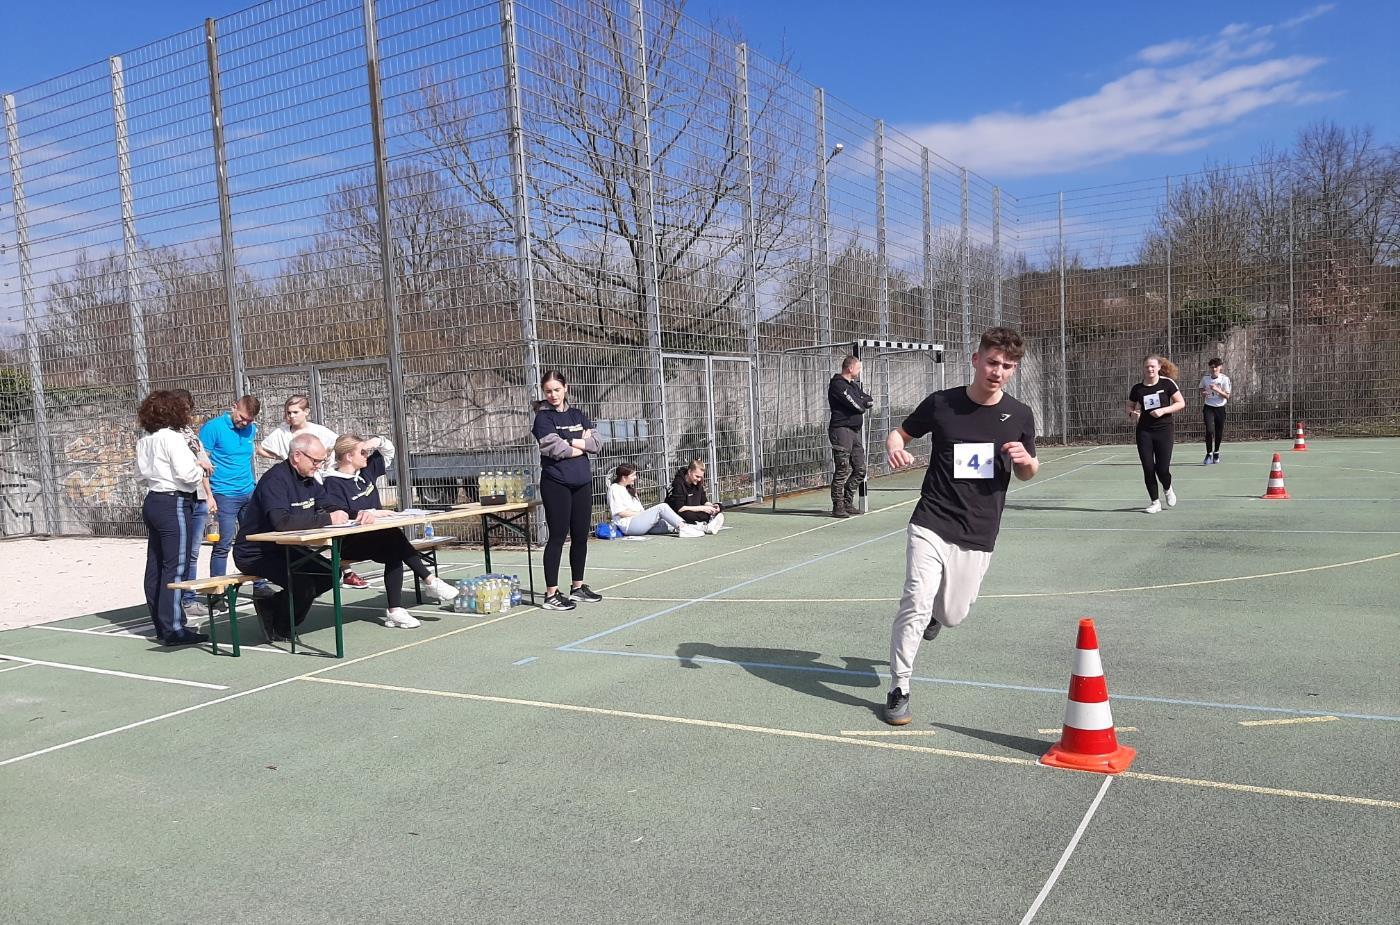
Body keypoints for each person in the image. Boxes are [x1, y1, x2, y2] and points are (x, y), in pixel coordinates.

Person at [881, 327, 1038, 726]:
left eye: (1007, 366)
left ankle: (938, 614)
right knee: (915, 599)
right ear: (975, 359)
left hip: (979, 529)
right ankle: (900, 687)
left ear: (1013, 370)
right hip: (932, 520)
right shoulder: (942, 404)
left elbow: (1028, 470)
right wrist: (895, 448)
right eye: (992, 362)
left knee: (953, 614)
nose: (997, 371)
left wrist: (1025, 462)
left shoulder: (1019, 415)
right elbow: (899, 434)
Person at [321, 434, 460, 628]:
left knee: (394, 551)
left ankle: (396, 610)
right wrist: (371, 513)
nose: (367, 455)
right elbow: (338, 512)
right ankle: (429, 580)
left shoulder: (365, 471)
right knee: (392, 536)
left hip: (377, 539)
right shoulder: (332, 482)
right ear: (349, 457)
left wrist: (374, 441)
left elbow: (389, 450)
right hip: (349, 544)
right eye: (362, 452)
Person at [233, 432, 352, 641]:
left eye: (322, 461)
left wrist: (356, 514)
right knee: (303, 585)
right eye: (315, 461)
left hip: (286, 548)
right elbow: (282, 522)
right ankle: (282, 627)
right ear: (297, 456)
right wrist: (327, 519)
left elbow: (328, 505)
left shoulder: (309, 480)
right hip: (256, 553)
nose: (318, 466)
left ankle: (272, 605)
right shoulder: (275, 480)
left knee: (330, 573)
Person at [135, 390, 210, 646]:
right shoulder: (173, 438)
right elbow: (187, 475)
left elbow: (140, 475)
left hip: (153, 500)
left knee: (155, 565)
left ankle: (161, 624)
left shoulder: (146, 440)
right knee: (176, 566)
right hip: (174, 501)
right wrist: (200, 467)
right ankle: (174, 627)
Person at [532, 370, 604, 611]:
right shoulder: (543, 418)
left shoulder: (577, 414)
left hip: (582, 482)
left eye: (557, 390)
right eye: (548, 391)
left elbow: (597, 443)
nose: (553, 395)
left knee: (581, 536)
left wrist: (571, 441)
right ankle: (551, 594)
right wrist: (581, 444)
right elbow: (555, 449)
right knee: (557, 536)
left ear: (566, 388)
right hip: (556, 483)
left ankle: (577, 587)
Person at [198, 394, 270, 596]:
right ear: (234, 407)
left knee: (255, 539)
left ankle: (260, 585)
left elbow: (249, 454)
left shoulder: (251, 429)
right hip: (224, 494)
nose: (244, 423)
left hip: (248, 491)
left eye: (249, 420)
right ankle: (218, 592)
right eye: (242, 417)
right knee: (223, 544)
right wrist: (209, 495)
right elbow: (202, 463)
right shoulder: (213, 428)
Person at [170, 389, 217, 618]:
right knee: (180, 553)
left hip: (198, 497)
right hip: (181, 497)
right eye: (182, 409)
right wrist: (198, 465)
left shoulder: (190, 433)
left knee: (194, 552)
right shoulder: (167, 435)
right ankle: (176, 600)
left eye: (188, 409)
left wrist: (209, 495)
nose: (186, 413)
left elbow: (204, 465)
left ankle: (188, 599)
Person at [1127, 355, 1185, 513]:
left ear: (1159, 367)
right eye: (1147, 367)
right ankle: (1155, 502)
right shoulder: (1137, 388)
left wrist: (1163, 411)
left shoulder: (1167, 383)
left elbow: (1180, 403)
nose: (1150, 369)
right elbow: (1130, 406)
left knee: (1162, 468)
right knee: (1148, 467)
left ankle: (1167, 488)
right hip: (1144, 431)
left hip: (1164, 430)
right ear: (1143, 368)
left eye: (1152, 366)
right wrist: (1133, 413)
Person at [828, 355, 873, 518]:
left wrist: (862, 401)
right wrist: (861, 403)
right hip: (841, 431)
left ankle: (848, 502)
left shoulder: (853, 386)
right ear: (850, 368)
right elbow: (858, 406)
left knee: (860, 469)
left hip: (854, 432)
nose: (859, 371)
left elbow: (868, 400)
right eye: (858, 368)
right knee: (842, 468)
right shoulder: (838, 385)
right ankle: (838, 506)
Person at [608, 463, 702, 537]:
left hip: (638, 521)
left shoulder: (630, 489)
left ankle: (698, 528)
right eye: (633, 475)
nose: (635, 478)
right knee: (662, 507)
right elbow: (621, 512)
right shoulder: (615, 489)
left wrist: (644, 515)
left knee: (668, 523)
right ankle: (685, 529)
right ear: (624, 477)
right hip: (629, 525)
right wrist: (642, 514)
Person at [665, 458, 724, 533]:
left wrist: (713, 507)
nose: (699, 479)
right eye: (697, 476)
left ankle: (708, 521)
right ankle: (705, 525)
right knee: (687, 515)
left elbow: (704, 501)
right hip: (677, 515)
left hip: (692, 512)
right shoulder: (678, 484)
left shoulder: (698, 483)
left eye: (700, 477)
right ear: (689, 472)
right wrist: (703, 508)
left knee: (718, 508)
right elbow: (680, 508)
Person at [1199, 357, 1232, 465]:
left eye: (1216, 367)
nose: (1214, 369)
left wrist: (1217, 390)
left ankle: (1216, 452)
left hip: (1220, 408)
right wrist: (1203, 393)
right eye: (1212, 367)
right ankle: (1209, 453)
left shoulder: (1224, 379)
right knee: (1209, 430)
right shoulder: (1205, 379)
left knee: (1219, 431)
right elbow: (1201, 388)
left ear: (1220, 367)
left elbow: (1227, 396)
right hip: (1208, 407)